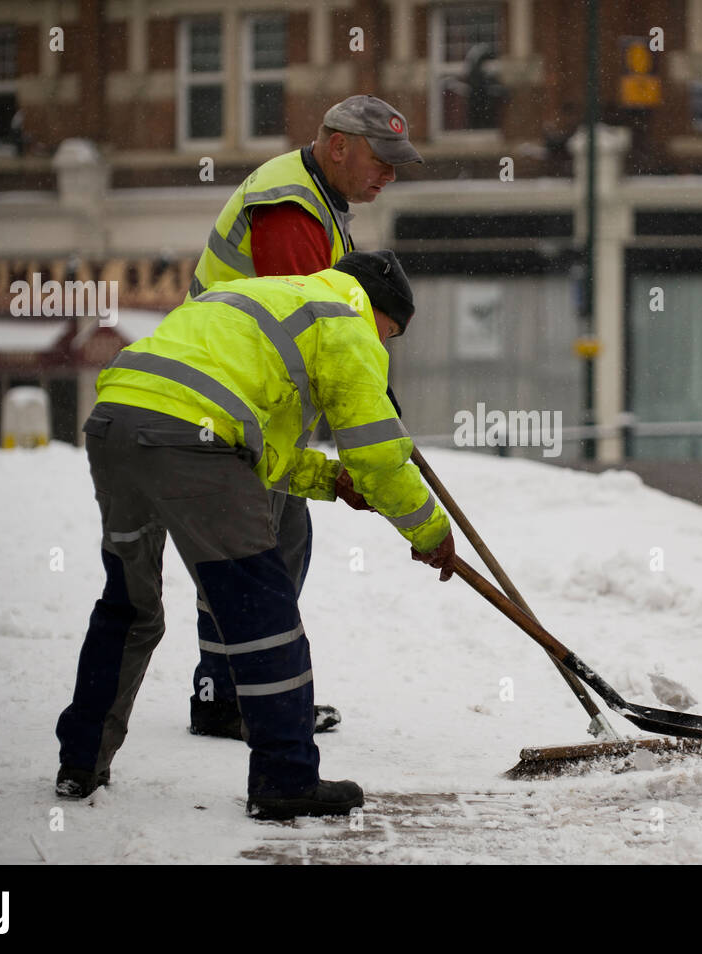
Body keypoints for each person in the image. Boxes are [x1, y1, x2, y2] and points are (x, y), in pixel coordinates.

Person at [54, 250, 456, 819]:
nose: (386, 346)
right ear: (378, 310)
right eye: (392, 333)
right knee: (262, 612)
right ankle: (285, 780)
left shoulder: (266, 301)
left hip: (116, 421)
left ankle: (79, 763)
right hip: (188, 439)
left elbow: (252, 449)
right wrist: (429, 531)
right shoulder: (347, 319)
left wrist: (331, 480)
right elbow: (378, 455)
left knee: (129, 604)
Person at [185, 94, 423, 740]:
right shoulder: (291, 208)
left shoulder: (325, 205)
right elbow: (314, 334)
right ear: (338, 145)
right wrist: (368, 410)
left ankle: (256, 691)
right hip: (222, 397)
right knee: (249, 549)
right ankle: (227, 695)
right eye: (382, 161)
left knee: (283, 541)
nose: (389, 176)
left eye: (397, 167)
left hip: (252, 403)